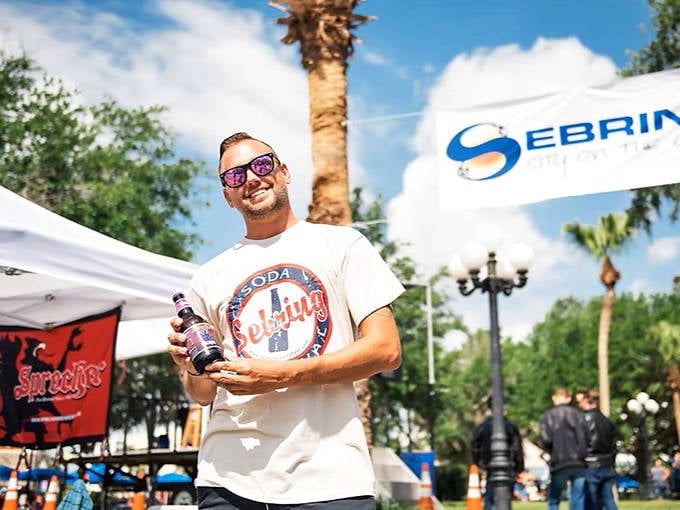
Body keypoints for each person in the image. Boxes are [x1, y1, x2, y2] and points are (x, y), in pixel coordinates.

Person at [166, 132, 405, 509]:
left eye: (261, 165)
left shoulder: (342, 245)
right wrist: (189, 366)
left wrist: (282, 375)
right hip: (228, 480)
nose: (251, 178)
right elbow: (201, 394)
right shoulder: (207, 278)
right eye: (234, 176)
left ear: (284, 171)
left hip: (330, 479)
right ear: (227, 196)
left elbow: (386, 349)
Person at [471, 396, 525, 510]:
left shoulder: (484, 427)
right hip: (508, 466)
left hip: (491, 466)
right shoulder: (510, 426)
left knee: (490, 498)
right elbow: (517, 448)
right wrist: (519, 466)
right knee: (505, 499)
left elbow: (475, 446)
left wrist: (480, 462)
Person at [540, 387, 588, 510]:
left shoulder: (548, 416)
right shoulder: (578, 414)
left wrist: (550, 452)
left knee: (554, 500)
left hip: (559, 462)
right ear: (568, 399)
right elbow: (584, 437)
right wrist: (582, 455)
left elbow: (546, 440)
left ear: (554, 398)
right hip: (578, 462)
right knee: (578, 498)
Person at [577, 390, 617, 510]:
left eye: (580, 401)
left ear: (586, 401)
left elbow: (580, 444)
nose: (578, 405)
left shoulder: (582, 420)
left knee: (590, 501)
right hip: (607, 464)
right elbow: (614, 445)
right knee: (608, 499)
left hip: (590, 465)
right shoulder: (607, 421)